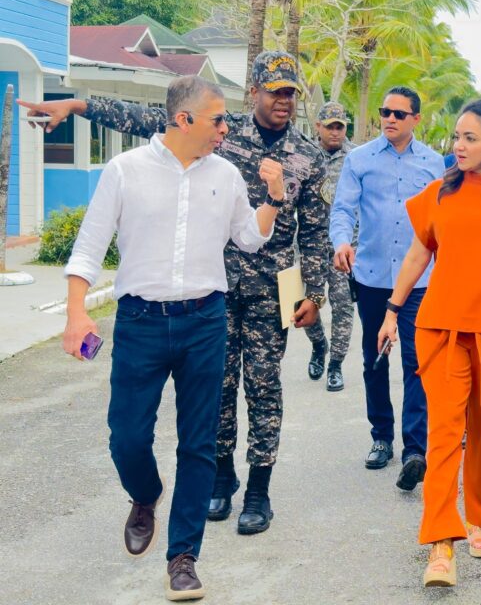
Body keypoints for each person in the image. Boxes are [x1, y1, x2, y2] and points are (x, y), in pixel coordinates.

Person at [20, 51, 331, 535]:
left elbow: (314, 233)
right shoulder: (218, 135)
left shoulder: (307, 156)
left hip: (274, 290)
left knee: (265, 387)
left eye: (291, 93)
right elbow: (146, 117)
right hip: (216, 289)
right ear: (254, 92)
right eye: (275, 92)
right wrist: (78, 106)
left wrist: (314, 293)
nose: (284, 101)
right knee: (218, 393)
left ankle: (259, 491)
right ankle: (220, 481)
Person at [62, 77, 283, 601]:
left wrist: (274, 197)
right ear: (183, 119)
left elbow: (249, 237)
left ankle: (183, 557)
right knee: (128, 438)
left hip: (206, 321)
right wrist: (76, 314)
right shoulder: (125, 171)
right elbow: (89, 247)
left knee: (198, 443)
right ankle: (145, 494)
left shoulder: (226, 174)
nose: (226, 129)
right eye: (217, 120)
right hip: (139, 321)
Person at [378, 99, 481, 588]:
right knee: (444, 433)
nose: (459, 146)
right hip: (442, 328)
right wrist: (392, 310)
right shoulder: (438, 193)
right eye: (456, 136)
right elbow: (416, 256)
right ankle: (439, 544)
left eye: (470, 138)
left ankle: (480, 516)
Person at [331, 86, 445, 489]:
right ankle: (381, 437)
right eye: (385, 112)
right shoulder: (359, 159)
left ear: (416, 118)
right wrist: (341, 240)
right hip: (374, 277)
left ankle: (416, 448)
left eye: (399, 113)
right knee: (375, 359)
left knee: (418, 362)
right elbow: (343, 208)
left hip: (419, 282)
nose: (390, 119)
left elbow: (443, 220)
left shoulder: (434, 164)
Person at [305, 102, 355, 392]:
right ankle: (318, 344)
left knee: (342, 307)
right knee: (305, 302)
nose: (335, 132)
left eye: (340, 126)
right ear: (318, 127)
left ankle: (335, 364)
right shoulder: (305, 155)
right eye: (330, 126)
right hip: (310, 243)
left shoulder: (356, 157)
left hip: (344, 247)